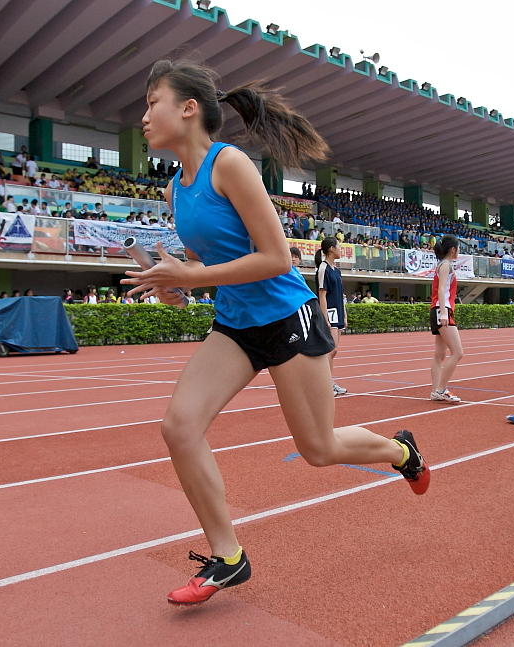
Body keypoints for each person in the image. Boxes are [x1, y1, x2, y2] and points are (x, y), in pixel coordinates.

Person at [119, 58, 430, 605]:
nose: (143, 116)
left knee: (319, 448)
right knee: (180, 426)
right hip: (237, 325)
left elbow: (277, 257)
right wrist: (176, 285)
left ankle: (400, 451)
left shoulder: (229, 164)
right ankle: (228, 557)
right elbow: (206, 264)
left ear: (188, 109)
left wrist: (194, 275)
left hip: (288, 317)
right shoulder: (177, 189)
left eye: (152, 103)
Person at [428, 234, 463, 403]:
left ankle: (436, 390)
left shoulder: (443, 264)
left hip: (438, 309)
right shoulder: (446, 265)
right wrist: (443, 313)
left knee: (439, 354)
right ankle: (441, 389)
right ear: (453, 249)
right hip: (442, 310)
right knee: (458, 352)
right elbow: (442, 290)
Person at [314, 237, 347, 396]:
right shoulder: (323, 268)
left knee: (334, 351)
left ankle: (329, 382)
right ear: (331, 249)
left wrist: (345, 314)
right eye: (339, 247)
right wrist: (325, 317)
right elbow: (322, 294)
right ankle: (324, 384)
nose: (341, 250)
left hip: (339, 312)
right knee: (330, 350)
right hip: (330, 313)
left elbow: (341, 295)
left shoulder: (337, 270)